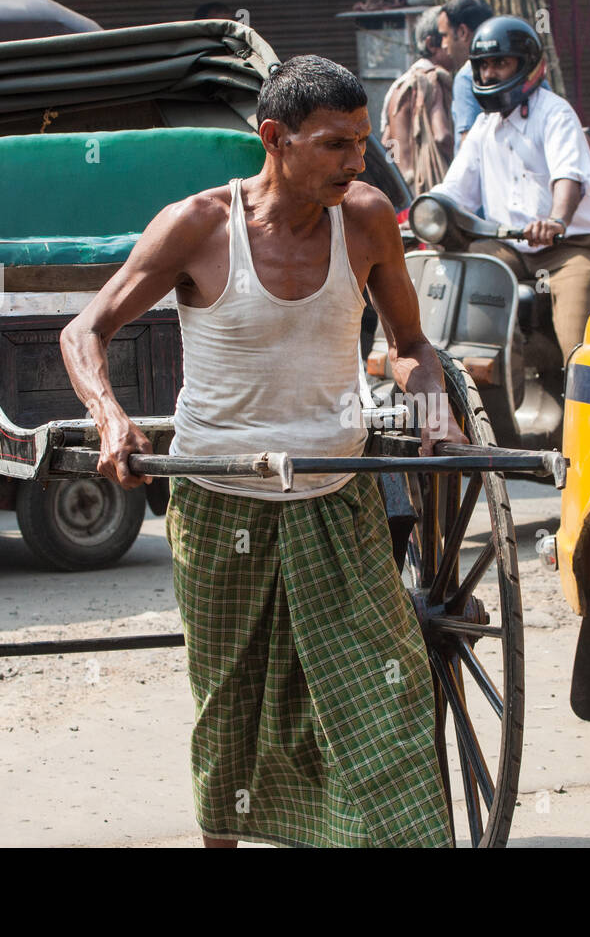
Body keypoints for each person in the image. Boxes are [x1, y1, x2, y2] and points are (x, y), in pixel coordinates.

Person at [60, 55, 467, 848]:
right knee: (231, 706)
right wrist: (110, 415)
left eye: (360, 143)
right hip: (219, 501)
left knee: (389, 696)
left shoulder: (371, 219)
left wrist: (429, 411)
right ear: (274, 137)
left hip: (336, 494)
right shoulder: (199, 226)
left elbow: (411, 341)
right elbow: (86, 330)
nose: (356, 162)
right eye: (335, 145)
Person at [432, 16, 590, 360]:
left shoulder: (555, 114)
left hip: (575, 249)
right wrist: (427, 211)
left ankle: (580, 404)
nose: (489, 74)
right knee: (463, 276)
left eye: (500, 63)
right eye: (484, 65)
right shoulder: (483, 126)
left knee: (579, 347)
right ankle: (498, 395)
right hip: (512, 249)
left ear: (529, 65)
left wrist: (556, 221)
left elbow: (569, 179)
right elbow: (455, 189)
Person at [380, 6, 454, 195]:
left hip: (403, 188)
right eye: (446, 38)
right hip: (431, 186)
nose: (450, 46)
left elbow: (386, 141)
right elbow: (442, 136)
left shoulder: (398, 85)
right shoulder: (433, 80)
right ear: (431, 44)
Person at [436, 0, 494, 152]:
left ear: (462, 32)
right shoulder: (520, 70)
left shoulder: (467, 77)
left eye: (445, 35)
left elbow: (468, 146)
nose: (443, 45)